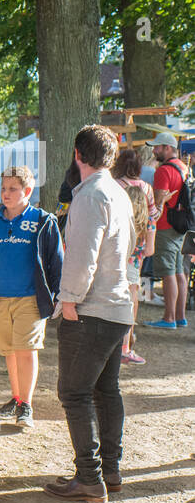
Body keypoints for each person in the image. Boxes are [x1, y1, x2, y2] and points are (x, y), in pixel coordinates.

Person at [45, 126, 134, 503]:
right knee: (105, 390)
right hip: (116, 307)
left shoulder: (89, 196)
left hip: (91, 308)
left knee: (75, 392)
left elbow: (83, 255)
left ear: (78, 154)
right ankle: (109, 472)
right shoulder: (118, 192)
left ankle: (90, 477)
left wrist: (69, 302)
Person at [0, 166, 62, 427]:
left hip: (30, 298)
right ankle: (16, 398)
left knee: (26, 350)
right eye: (3, 188)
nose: (6, 193)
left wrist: (59, 296)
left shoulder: (43, 221)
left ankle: (26, 405)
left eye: (13, 189)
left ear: (28, 192)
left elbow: (56, 262)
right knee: (9, 350)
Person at [112, 147, 158, 364]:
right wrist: (150, 243)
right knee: (132, 294)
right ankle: (126, 344)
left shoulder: (114, 185)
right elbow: (153, 217)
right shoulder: (146, 187)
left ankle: (117, 343)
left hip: (117, 244)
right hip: (137, 248)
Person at [146, 131, 189, 329]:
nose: (154, 150)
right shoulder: (183, 167)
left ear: (168, 148)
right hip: (181, 226)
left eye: (158, 147)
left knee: (168, 272)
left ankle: (169, 318)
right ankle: (180, 316)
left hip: (164, 225)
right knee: (179, 272)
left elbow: (159, 198)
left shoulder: (163, 170)